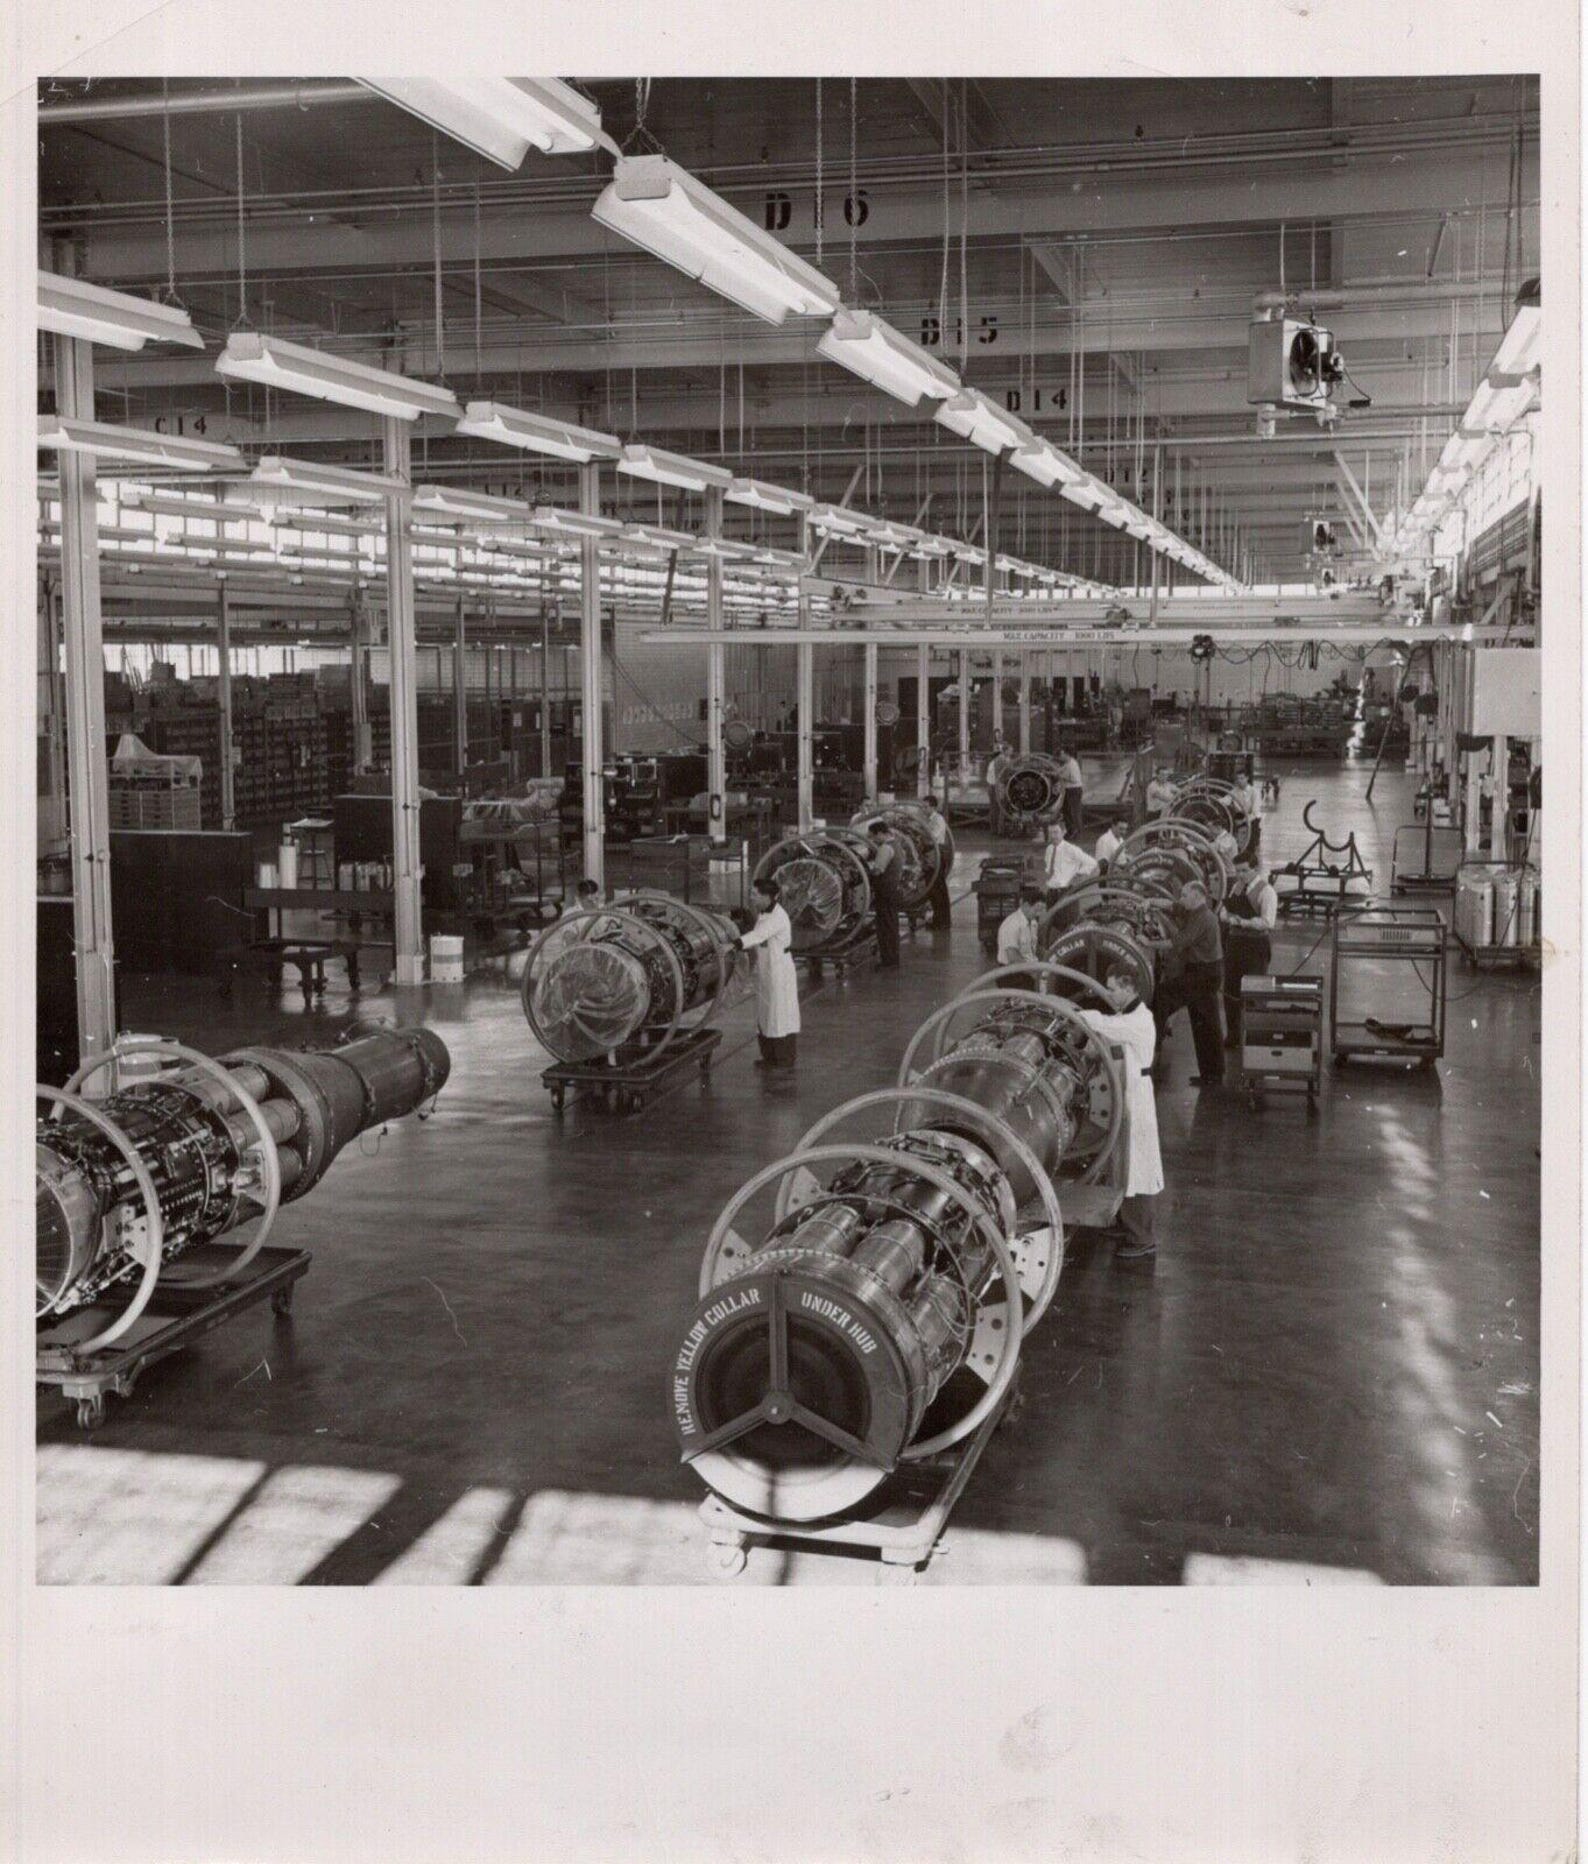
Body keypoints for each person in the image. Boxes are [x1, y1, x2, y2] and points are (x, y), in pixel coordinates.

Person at [1077, 964, 1164, 1259]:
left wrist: (1076, 1014)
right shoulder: (1123, 1018)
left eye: (1112, 988)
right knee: (1120, 1163)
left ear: (1128, 989)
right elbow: (1103, 1038)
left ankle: (1143, 1237)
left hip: (1136, 1099)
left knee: (1137, 1166)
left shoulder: (1140, 1020)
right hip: (1123, 1097)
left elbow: (1101, 1024)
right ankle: (1124, 1223)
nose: (1109, 993)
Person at [1154, 879, 1225, 1086]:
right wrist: (1150, 902)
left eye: (1184, 895)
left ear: (1196, 897)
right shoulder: (1193, 911)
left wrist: (1147, 942)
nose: (1181, 898)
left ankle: (1154, 1041)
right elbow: (1172, 906)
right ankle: (1211, 1074)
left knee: (1163, 994)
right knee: (1203, 1022)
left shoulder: (1203, 918)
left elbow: (1177, 942)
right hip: (1202, 971)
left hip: (1204, 974)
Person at [736, 878, 800, 1069]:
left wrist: (735, 944)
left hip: (779, 970)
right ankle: (770, 1057)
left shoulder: (777, 917)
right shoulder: (765, 913)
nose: (751, 897)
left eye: (755, 894)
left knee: (779, 1015)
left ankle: (783, 1060)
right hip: (767, 969)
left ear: (768, 897)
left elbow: (758, 935)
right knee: (766, 1014)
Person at [1220, 859, 1279, 1049]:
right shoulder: (1236, 888)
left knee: (1255, 991)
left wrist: (1243, 922)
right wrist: (1229, 917)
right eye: (1238, 871)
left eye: (1244, 871)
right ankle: (1233, 1035)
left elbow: (1268, 922)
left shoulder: (1267, 891)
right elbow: (1223, 912)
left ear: (1255, 869)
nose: (1240, 875)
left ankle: (1255, 1039)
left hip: (1256, 946)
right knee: (1230, 990)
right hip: (1235, 944)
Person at [866, 820, 903, 968]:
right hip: (893, 890)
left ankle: (888, 960)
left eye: (873, 837)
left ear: (881, 833)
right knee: (891, 924)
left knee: (884, 926)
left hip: (885, 891)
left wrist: (866, 871)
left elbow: (877, 870)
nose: (873, 840)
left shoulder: (885, 848)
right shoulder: (896, 844)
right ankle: (893, 958)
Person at [1042, 816, 1099, 905]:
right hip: (1051, 892)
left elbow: (1092, 863)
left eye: (1055, 832)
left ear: (1063, 832)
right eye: (1050, 833)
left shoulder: (1071, 849)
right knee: (1051, 914)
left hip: (1066, 892)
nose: (1052, 836)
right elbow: (1049, 870)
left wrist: (1078, 874)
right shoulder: (1049, 849)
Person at [996, 887, 1046, 986]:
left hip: (1027, 971)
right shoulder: (1012, 924)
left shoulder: (1033, 923)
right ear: (1026, 905)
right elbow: (1013, 958)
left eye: (1041, 910)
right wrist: (1034, 974)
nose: (1039, 914)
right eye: (1036, 910)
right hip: (1012, 975)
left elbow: (1034, 948)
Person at [921, 794, 953, 930]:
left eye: (926, 807)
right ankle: (939, 920)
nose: (923, 809)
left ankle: (942, 922)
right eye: (923, 807)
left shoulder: (938, 820)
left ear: (933, 807)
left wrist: (921, 835)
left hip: (936, 855)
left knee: (937, 889)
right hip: (931, 856)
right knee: (934, 889)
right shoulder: (928, 820)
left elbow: (932, 838)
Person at [1231, 769, 1262, 857]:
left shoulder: (1254, 792)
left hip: (1253, 820)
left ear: (1247, 778)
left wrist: (1243, 821)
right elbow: (1226, 799)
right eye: (1238, 779)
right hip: (1240, 819)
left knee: (1250, 842)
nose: (1239, 781)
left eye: (1242, 778)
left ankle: (1251, 855)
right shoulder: (1234, 791)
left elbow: (1255, 812)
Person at [1057, 746, 1084, 838]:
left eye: (1061, 754)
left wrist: (1061, 777)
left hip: (1074, 790)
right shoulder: (1067, 764)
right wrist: (1051, 772)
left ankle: (1076, 832)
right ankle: (1071, 831)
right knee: (1066, 811)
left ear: (1066, 754)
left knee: (1073, 812)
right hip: (1069, 790)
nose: (1060, 756)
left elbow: (1074, 779)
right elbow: (1058, 771)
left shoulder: (1072, 764)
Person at [985, 740, 1011, 836]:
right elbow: (1006, 773)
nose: (1011, 752)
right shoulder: (1003, 760)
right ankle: (1000, 830)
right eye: (1010, 750)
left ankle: (993, 829)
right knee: (1001, 808)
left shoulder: (992, 762)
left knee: (993, 808)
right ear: (1005, 751)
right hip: (998, 786)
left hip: (991, 785)